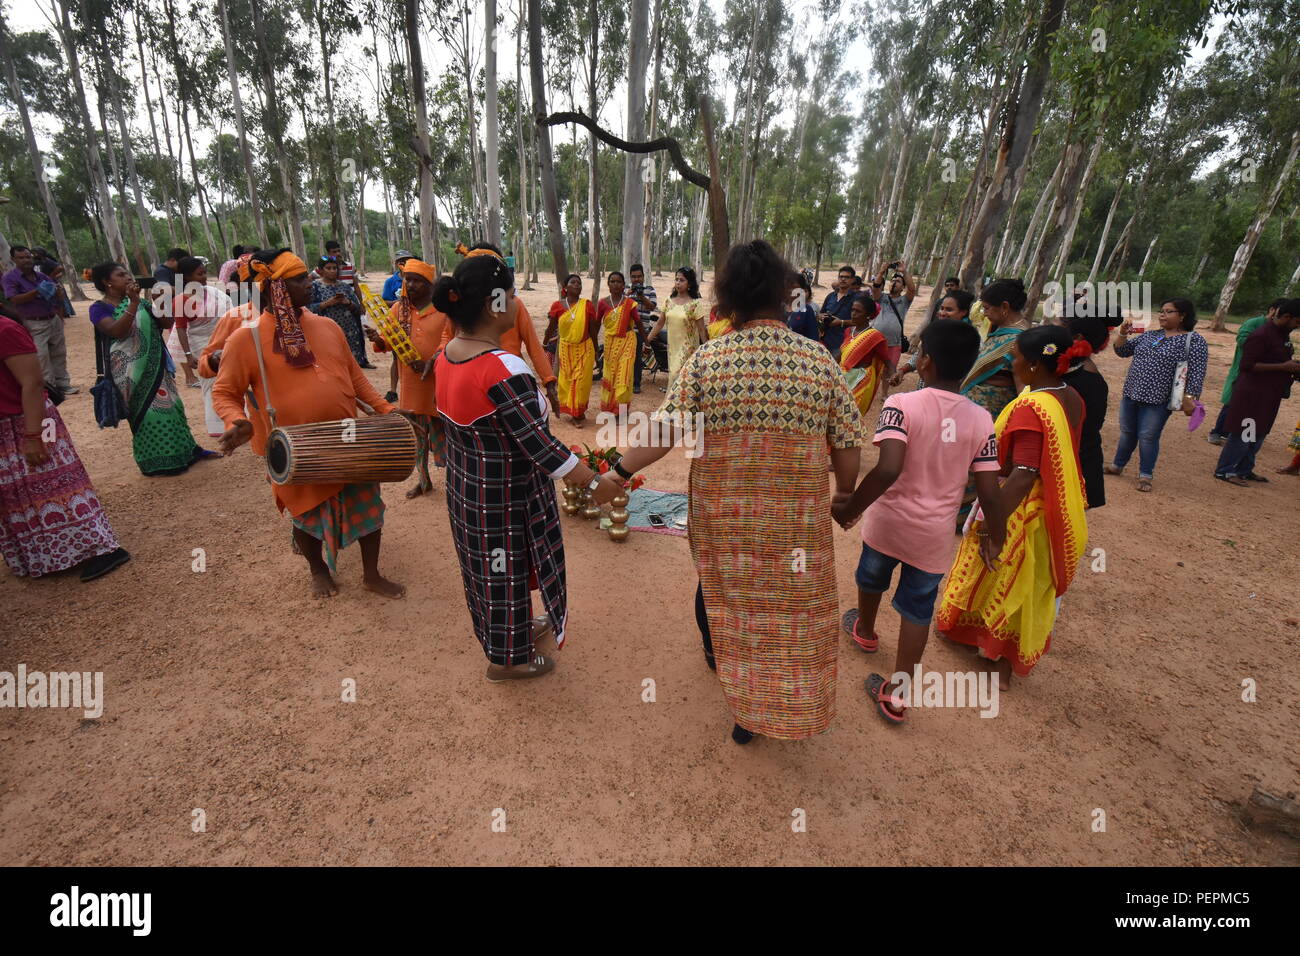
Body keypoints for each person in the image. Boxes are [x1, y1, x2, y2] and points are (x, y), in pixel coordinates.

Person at [614, 239, 863, 745]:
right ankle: (777, 697)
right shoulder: (819, 361)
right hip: (794, 522)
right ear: (783, 293)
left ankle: (726, 668)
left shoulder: (708, 360)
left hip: (725, 515)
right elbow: (847, 442)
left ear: (727, 296)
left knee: (723, 591)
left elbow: (664, 432)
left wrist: (617, 474)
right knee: (785, 605)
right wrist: (844, 494)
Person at [433, 248, 621, 681]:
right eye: (512, 293)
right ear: (494, 304)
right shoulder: (502, 369)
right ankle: (508, 660)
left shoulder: (447, 357)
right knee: (505, 570)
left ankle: (513, 633)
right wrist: (596, 484)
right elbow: (541, 447)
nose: (517, 301)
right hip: (505, 498)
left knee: (492, 569)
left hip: (468, 492)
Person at [831, 320, 1004, 724]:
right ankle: (897, 694)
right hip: (933, 535)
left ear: (925, 361)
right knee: (917, 609)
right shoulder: (982, 419)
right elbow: (989, 490)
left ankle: (866, 630)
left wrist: (851, 507)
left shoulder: (901, 405)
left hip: (888, 523)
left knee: (871, 577)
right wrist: (995, 535)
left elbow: (889, 469)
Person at [213, 248, 403, 599]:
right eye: (299, 279)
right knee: (304, 512)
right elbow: (224, 392)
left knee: (368, 505)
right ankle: (318, 571)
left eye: (306, 276)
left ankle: (372, 575)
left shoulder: (327, 326)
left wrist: (387, 411)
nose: (309, 283)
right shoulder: (245, 338)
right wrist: (236, 420)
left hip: (348, 439)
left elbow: (355, 379)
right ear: (274, 288)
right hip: (294, 449)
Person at [937, 324, 1088, 691]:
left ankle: (996, 656)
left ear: (1034, 364)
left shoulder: (1031, 407)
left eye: (1016, 357)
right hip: (1054, 503)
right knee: (1022, 581)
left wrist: (994, 524)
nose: (1012, 363)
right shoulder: (1071, 397)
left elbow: (1024, 472)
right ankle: (983, 643)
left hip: (1023, 506)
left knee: (1006, 575)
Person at [0, 312, 130, 581]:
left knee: (55, 487)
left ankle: (103, 550)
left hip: (27, 420)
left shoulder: (5, 330)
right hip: (5, 427)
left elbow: (32, 382)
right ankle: (45, 558)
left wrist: (33, 435)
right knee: (17, 494)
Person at [88, 262, 215, 476]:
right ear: (107, 282)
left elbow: (165, 323)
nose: (128, 277)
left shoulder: (142, 303)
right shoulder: (99, 308)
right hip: (129, 373)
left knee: (172, 409)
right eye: (121, 275)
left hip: (156, 368)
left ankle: (186, 452)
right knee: (148, 414)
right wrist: (133, 303)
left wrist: (160, 302)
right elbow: (116, 331)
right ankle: (155, 462)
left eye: (128, 273)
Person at [1104, 298, 1207, 492]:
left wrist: (1190, 398)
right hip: (1132, 392)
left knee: (1148, 436)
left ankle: (1145, 475)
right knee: (1127, 432)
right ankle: (1117, 466)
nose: (1162, 315)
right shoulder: (1150, 335)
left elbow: (1197, 372)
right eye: (1161, 311)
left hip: (1159, 399)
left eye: (1168, 311)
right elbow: (1122, 351)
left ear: (1182, 316)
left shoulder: (1194, 340)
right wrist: (1123, 333)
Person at [366, 258, 447, 499]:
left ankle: (454, 478)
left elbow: (448, 341)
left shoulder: (444, 310)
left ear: (429, 284)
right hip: (412, 386)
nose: (409, 285)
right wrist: (378, 340)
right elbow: (388, 341)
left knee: (446, 433)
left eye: (416, 281)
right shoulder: (397, 311)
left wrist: (433, 361)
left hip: (439, 384)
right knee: (417, 435)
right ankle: (423, 481)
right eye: (407, 280)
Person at [952, 278, 1032, 526]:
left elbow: (1024, 390)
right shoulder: (1002, 333)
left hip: (992, 418)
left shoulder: (1021, 341)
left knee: (976, 466)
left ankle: (964, 517)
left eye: (987, 308)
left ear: (1004, 307)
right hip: (974, 415)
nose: (985, 313)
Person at [1213, 298, 1300, 485]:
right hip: (1252, 394)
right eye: (1297, 322)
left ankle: (1244, 470)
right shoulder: (1262, 334)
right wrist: (1283, 367)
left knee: (1258, 434)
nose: (1297, 326)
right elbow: (1247, 365)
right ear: (1286, 316)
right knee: (1245, 433)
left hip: (1269, 395)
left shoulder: (1281, 335)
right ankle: (1225, 471)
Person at [170, 256, 233, 435]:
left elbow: (230, 315)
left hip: (224, 341)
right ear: (187, 277)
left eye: (204, 273)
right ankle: (218, 426)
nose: (204, 277)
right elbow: (181, 329)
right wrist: (188, 355)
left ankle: (236, 419)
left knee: (230, 380)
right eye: (199, 274)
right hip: (200, 345)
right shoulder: (181, 301)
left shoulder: (214, 293)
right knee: (211, 382)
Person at [1208, 298, 1284, 445]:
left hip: (1260, 374)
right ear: (1272, 310)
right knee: (1232, 402)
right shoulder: (1254, 323)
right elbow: (1242, 339)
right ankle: (1217, 432)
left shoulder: (1279, 330)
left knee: (1248, 406)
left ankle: (1235, 433)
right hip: (1243, 370)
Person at [2, 246, 75, 394]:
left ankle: (63, 384)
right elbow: (14, 299)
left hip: (52, 318)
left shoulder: (41, 276)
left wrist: (59, 303)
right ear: (13, 259)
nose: (26, 260)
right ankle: (50, 388)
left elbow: (56, 297)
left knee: (59, 352)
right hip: (33, 322)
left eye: (28, 257)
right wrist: (36, 291)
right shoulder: (10, 278)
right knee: (41, 356)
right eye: (21, 258)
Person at [1061, 313, 1115, 508]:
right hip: (1084, 458)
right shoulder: (1087, 377)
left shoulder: (1075, 382)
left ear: (1077, 338)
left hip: (1073, 461)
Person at [546, 273, 598, 426]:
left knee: (580, 382)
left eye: (579, 283)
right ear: (565, 288)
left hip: (585, 348)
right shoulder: (557, 306)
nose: (577, 285)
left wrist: (596, 350)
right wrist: (544, 344)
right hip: (565, 350)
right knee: (567, 382)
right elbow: (551, 328)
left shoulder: (587, 305)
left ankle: (577, 414)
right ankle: (575, 411)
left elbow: (592, 330)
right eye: (573, 282)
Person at [894, 289, 974, 385]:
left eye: (949, 310)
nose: (942, 313)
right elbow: (920, 355)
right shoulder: (935, 331)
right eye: (942, 308)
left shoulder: (968, 339)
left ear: (963, 312)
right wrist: (902, 370)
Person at [646, 267, 708, 388]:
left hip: (688, 349)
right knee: (675, 378)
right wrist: (647, 340)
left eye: (682, 280)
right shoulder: (668, 301)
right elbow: (659, 324)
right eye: (676, 279)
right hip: (672, 349)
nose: (678, 283)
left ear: (690, 284)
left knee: (677, 376)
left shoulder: (695, 304)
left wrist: (706, 349)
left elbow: (701, 329)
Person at [310, 255, 369, 367]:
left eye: (334, 268)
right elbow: (308, 308)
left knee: (351, 364)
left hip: (349, 331)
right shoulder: (315, 287)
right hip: (326, 331)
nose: (332, 271)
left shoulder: (345, 287)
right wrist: (327, 303)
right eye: (328, 268)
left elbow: (357, 309)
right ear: (321, 270)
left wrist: (348, 303)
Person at [840, 295, 890, 417]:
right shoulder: (848, 331)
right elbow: (842, 354)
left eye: (858, 311)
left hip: (862, 380)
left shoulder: (875, 336)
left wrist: (895, 374)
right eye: (852, 310)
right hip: (844, 376)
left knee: (852, 415)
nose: (853, 314)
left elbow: (887, 361)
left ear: (868, 315)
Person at [598, 271, 638, 416]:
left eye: (619, 282)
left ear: (623, 285)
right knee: (612, 375)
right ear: (608, 285)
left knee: (624, 374)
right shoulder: (602, 303)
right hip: (610, 344)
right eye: (612, 281)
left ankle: (621, 409)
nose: (615, 284)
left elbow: (638, 322)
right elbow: (596, 324)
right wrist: (593, 344)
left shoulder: (629, 303)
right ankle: (611, 408)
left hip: (628, 341)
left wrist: (647, 343)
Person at [872, 259, 917, 368]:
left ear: (903, 287)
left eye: (898, 281)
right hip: (875, 342)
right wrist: (882, 271)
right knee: (872, 371)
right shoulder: (880, 297)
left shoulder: (905, 301)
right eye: (892, 281)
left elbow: (912, 289)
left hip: (894, 344)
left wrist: (904, 271)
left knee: (888, 372)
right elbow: (875, 287)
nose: (894, 282)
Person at [628, 263, 657, 393]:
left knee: (637, 359)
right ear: (630, 277)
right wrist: (629, 294)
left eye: (639, 276)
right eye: (634, 277)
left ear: (643, 277)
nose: (637, 279)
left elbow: (652, 306)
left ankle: (636, 384)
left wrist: (641, 297)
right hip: (627, 330)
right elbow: (619, 305)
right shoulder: (625, 289)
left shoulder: (650, 290)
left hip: (642, 331)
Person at [819, 265, 858, 355]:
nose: (843, 279)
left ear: (852, 280)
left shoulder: (856, 299)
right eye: (841, 277)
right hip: (825, 340)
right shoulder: (830, 296)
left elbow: (860, 321)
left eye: (847, 277)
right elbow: (821, 313)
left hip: (844, 344)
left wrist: (841, 322)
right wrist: (820, 317)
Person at [787, 271, 820, 341]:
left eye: (795, 287)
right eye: (788, 287)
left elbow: (813, 338)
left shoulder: (807, 310)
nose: (791, 290)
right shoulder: (778, 308)